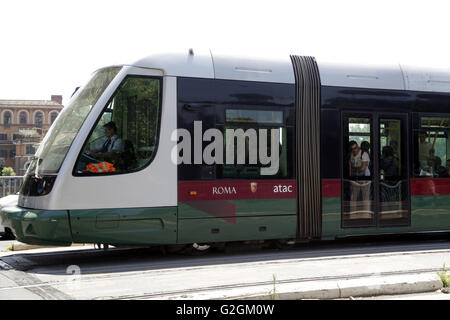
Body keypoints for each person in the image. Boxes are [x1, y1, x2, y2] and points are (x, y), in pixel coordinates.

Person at [348, 141, 371, 215]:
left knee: (365, 197)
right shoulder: (351, 155)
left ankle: (366, 213)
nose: (355, 150)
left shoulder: (364, 154)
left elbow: (363, 168)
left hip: (365, 179)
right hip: (355, 178)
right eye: (353, 149)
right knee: (354, 197)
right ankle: (353, 213)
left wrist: (355, 169)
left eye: (356, 147)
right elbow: (350, 168)